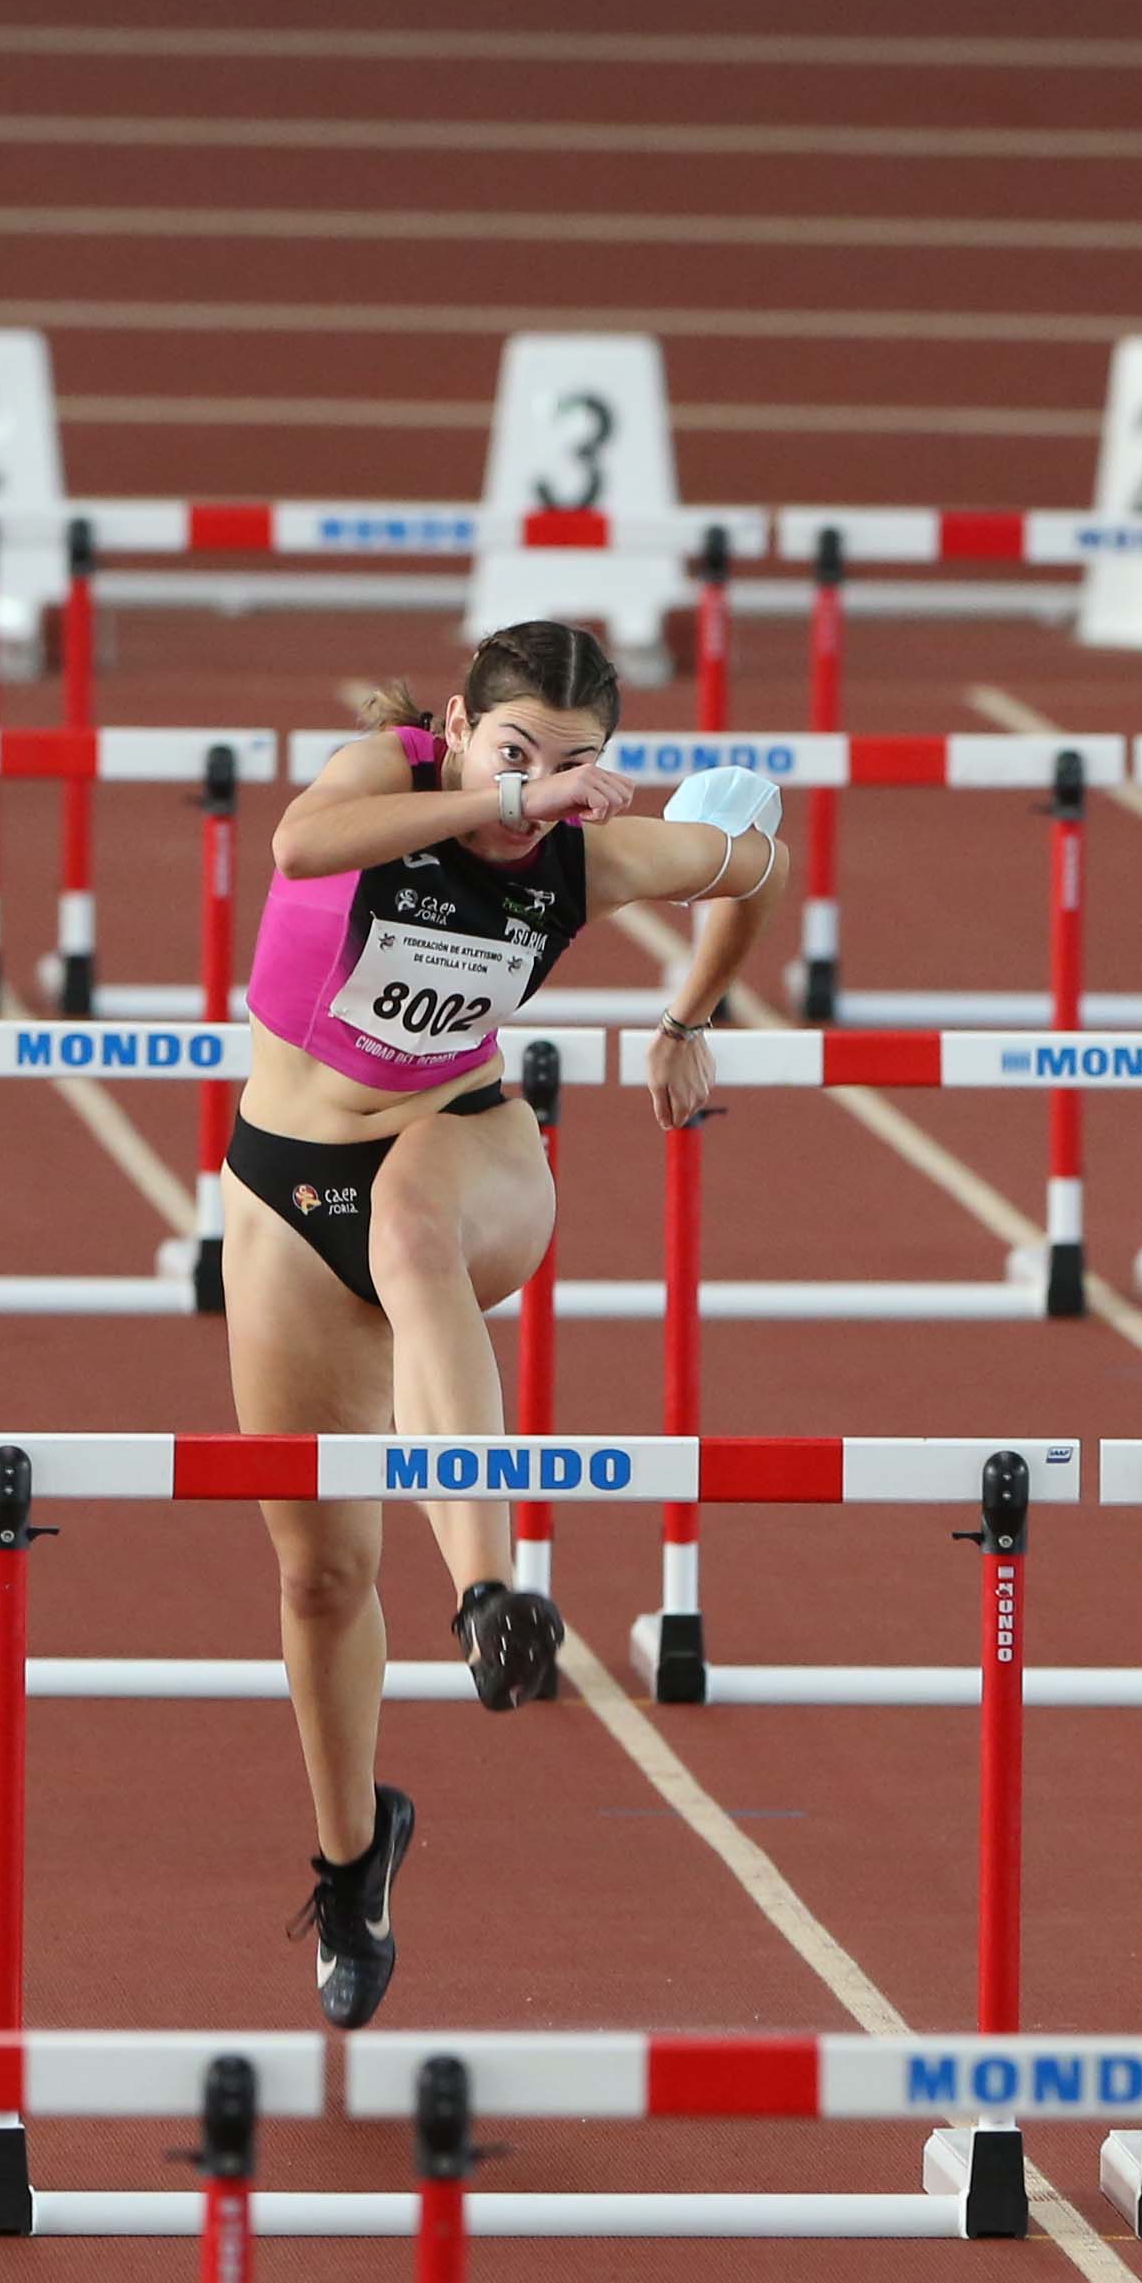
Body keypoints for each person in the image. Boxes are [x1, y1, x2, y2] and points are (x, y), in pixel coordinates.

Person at [228, 618, 782, 2027]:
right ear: (462, 726)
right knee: (319, 1581)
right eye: (516, 746)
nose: (544, 781)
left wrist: (684, 1018)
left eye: (577, 763)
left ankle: (490, 1591)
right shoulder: (386, 770)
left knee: (412, 1231)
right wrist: (507, 797)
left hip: (466, 1151)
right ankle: (355, 1859)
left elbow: (750, 858)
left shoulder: (584, 862)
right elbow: (296, 849)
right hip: (285, 1187)